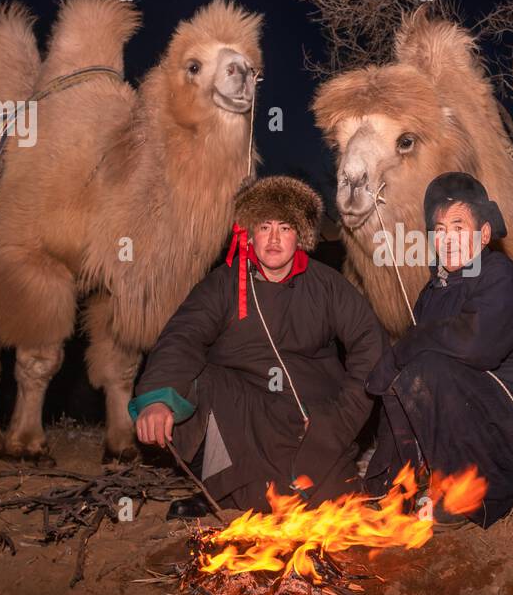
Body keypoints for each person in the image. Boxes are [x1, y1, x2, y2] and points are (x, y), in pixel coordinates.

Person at [130, 175, 387, 518]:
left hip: (309, 416)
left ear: (301, 235)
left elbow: (370, 344)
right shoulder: (223, 283)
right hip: (241, 413)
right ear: (249, 234)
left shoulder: (327, 285)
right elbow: (183, 337)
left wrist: (338, 418)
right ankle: (218, 489)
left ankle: (248, 493)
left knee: (330, 503)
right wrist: (158, 399)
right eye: (265, 227)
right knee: (197, 383)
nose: (274, 238)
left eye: (285, 227)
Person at [364, 171, 513, 526]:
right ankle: (403, 487)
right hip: (464, 423)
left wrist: (404, 348)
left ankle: (477, 494)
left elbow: (474, 345)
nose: (448, 239)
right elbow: (407, 392)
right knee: (404, 378)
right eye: (439, 230)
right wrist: (383, 485)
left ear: (483, 235)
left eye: (459, 227)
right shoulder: (432, 294)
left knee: (425, 368)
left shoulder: (501, 276)